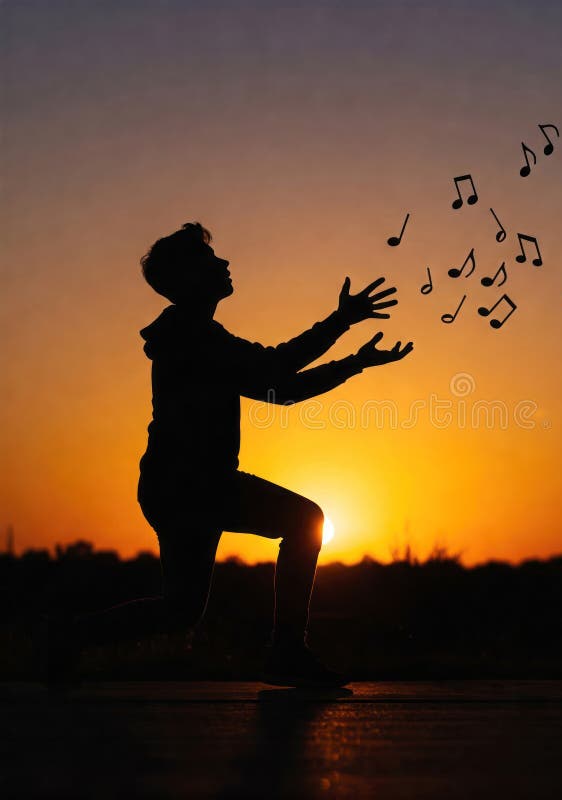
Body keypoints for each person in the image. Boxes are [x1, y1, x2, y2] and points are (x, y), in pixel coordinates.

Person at [45, 222, 413, 687]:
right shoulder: (191, 336)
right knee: (305, 520)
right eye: (210, 259)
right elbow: (277, 368)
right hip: (193, 483)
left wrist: (353, 362)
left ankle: (67, 637)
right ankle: (286, 652)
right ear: (189, 277)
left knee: (180, 611)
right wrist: (340, 322)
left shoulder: (196, 336)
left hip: (176, 485)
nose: (225, 263)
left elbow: (281, 388)